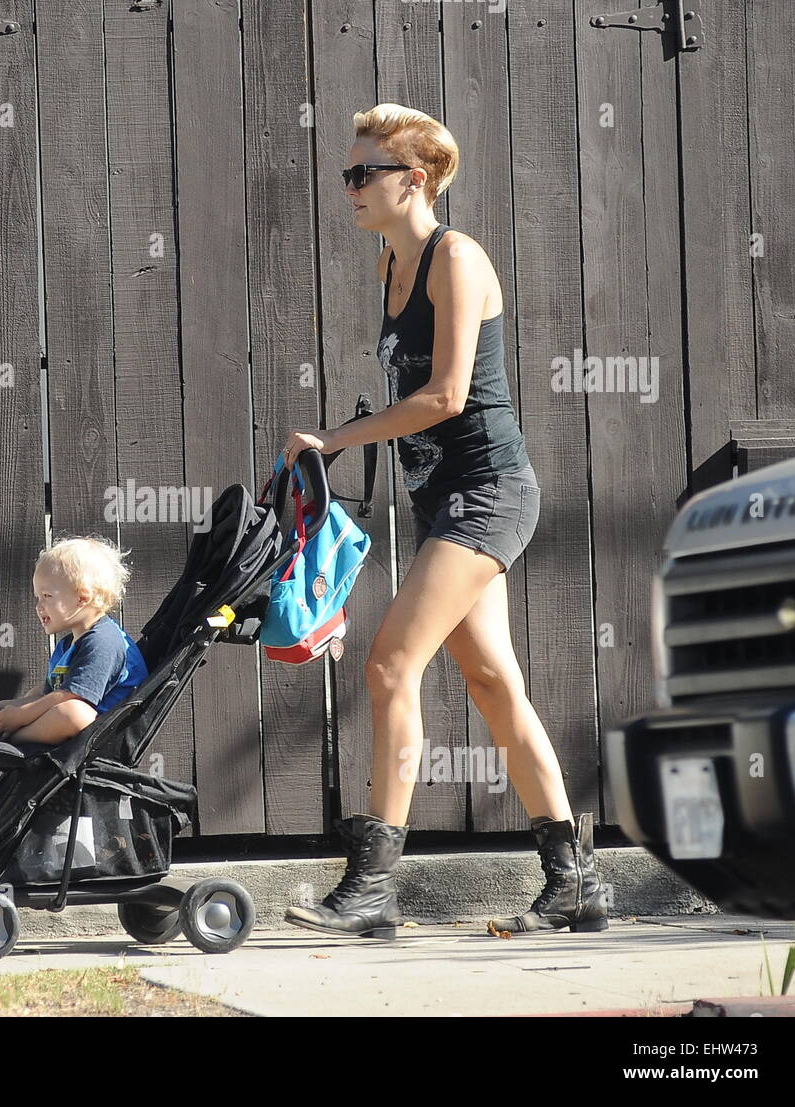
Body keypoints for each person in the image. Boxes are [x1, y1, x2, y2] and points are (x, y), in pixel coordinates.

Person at [281, 103, 608, 939]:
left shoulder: (453, 257)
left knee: (390, 666)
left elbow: (446, 396)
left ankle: (372, 890)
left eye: (364, 173)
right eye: (347, 172)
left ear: (413, 179)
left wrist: (335, 436)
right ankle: (574, 881)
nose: (349, 187)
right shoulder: (391, 265)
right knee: (495, 684)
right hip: (445, 501)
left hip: (488, 491)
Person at [0, 536, 147, 746]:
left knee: (74, 712)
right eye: (37, 597)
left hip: (103, 737)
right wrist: (2, 707)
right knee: (39, 692)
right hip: (67, 723)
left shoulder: (104, 642)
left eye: (47, 596)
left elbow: (69, 697)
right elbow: (49, 694)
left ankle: (11, 738)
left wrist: (19, 716)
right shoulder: (68, 644)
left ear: (82, 597)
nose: (38, 606)